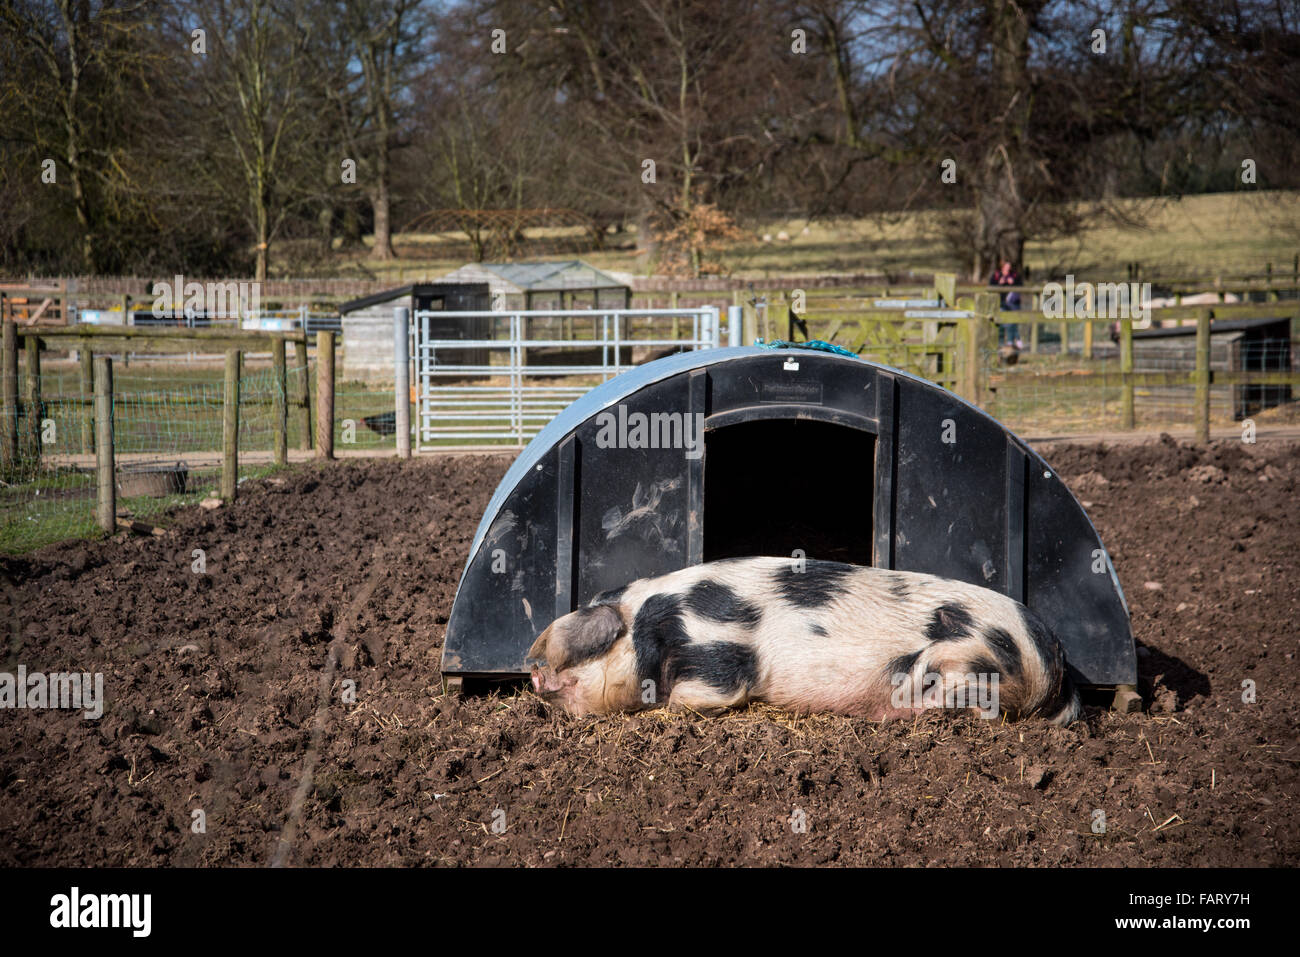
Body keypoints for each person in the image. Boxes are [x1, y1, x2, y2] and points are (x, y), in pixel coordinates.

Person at [989, 259, 1024, 350]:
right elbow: (991, 287)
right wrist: (999, 283)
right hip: (1001, 302)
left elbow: (1021, 286)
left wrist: (1013, 283)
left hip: (1013, 302)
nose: (1008, 268)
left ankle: (1012, 341)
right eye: (1006, 266)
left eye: (1009, 266)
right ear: (1002, 267)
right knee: (1002, 322)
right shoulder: (996, 276)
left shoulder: (1015, 275)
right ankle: (1001, 342)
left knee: (1012, 322)